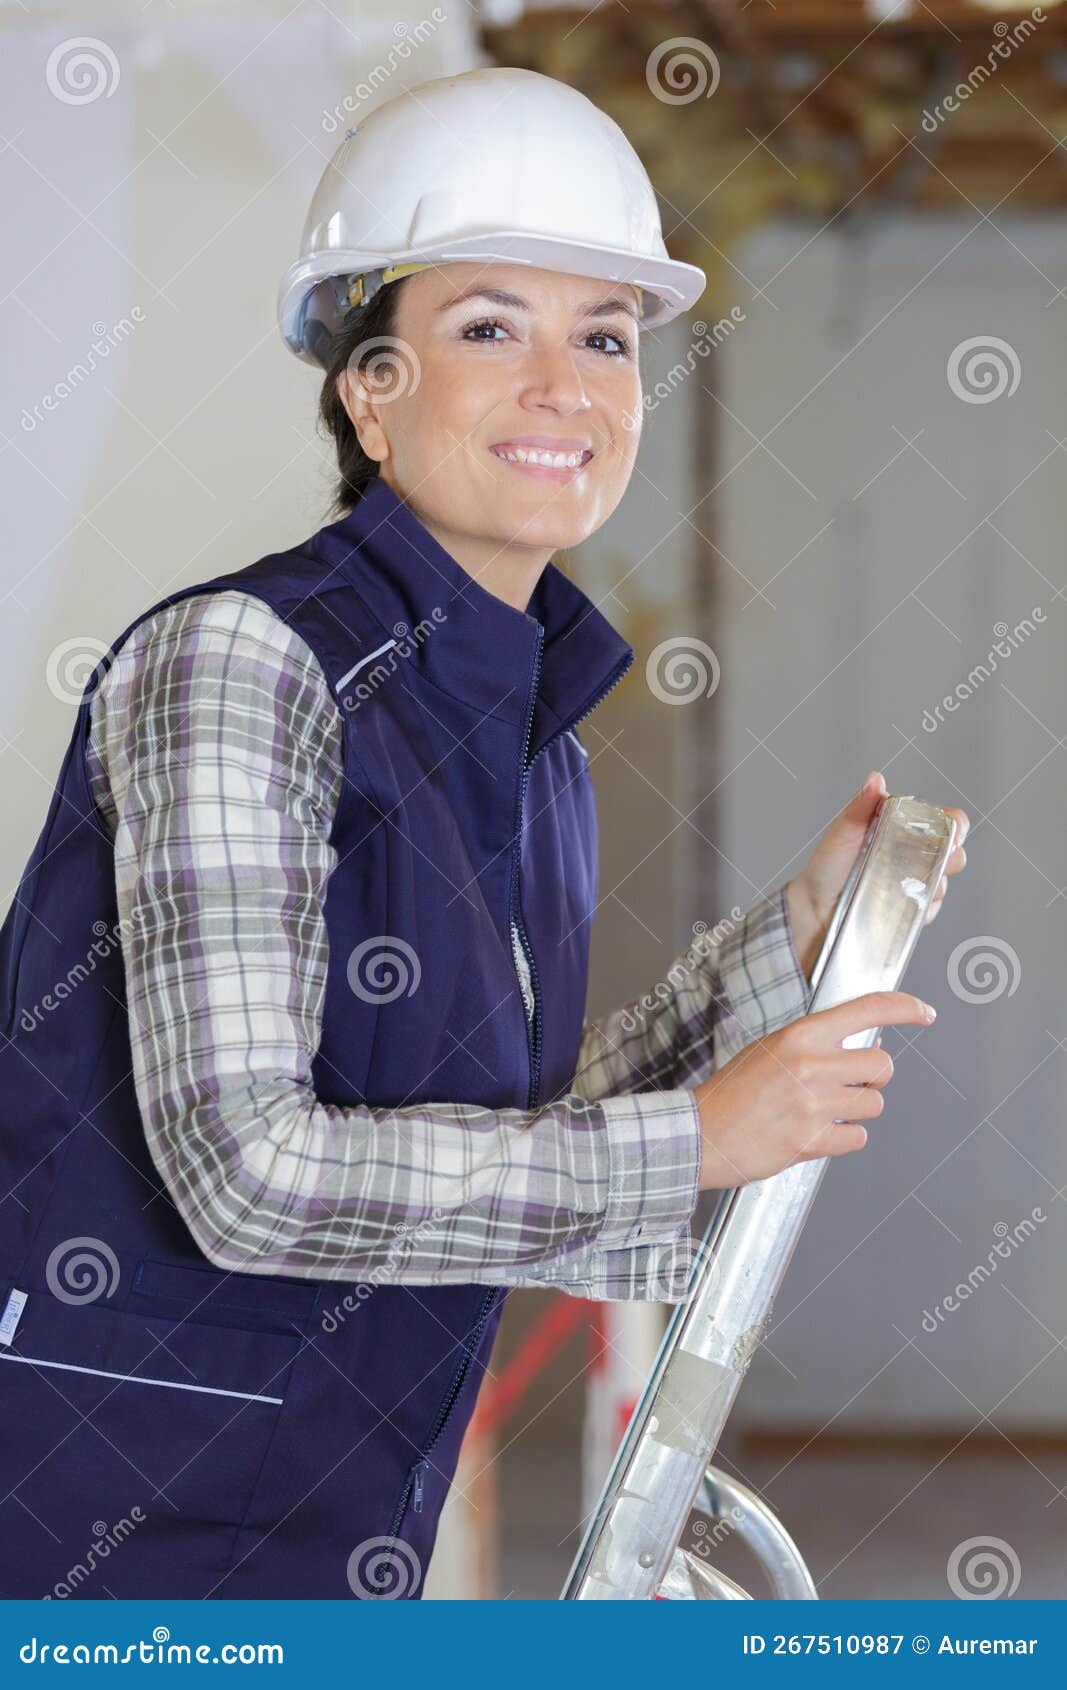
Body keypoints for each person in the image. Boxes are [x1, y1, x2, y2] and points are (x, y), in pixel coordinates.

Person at [0, 66, 969, 1601]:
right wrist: (708, 1138)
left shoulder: (530, 745)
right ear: (367, 387)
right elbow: (253, 1173)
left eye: (603, 338)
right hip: (97, 1543)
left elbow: (489, 1164)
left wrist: (781, 950)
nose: (564, 387)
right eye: (488, 327)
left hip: (318, 1534)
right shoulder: (243, 664)